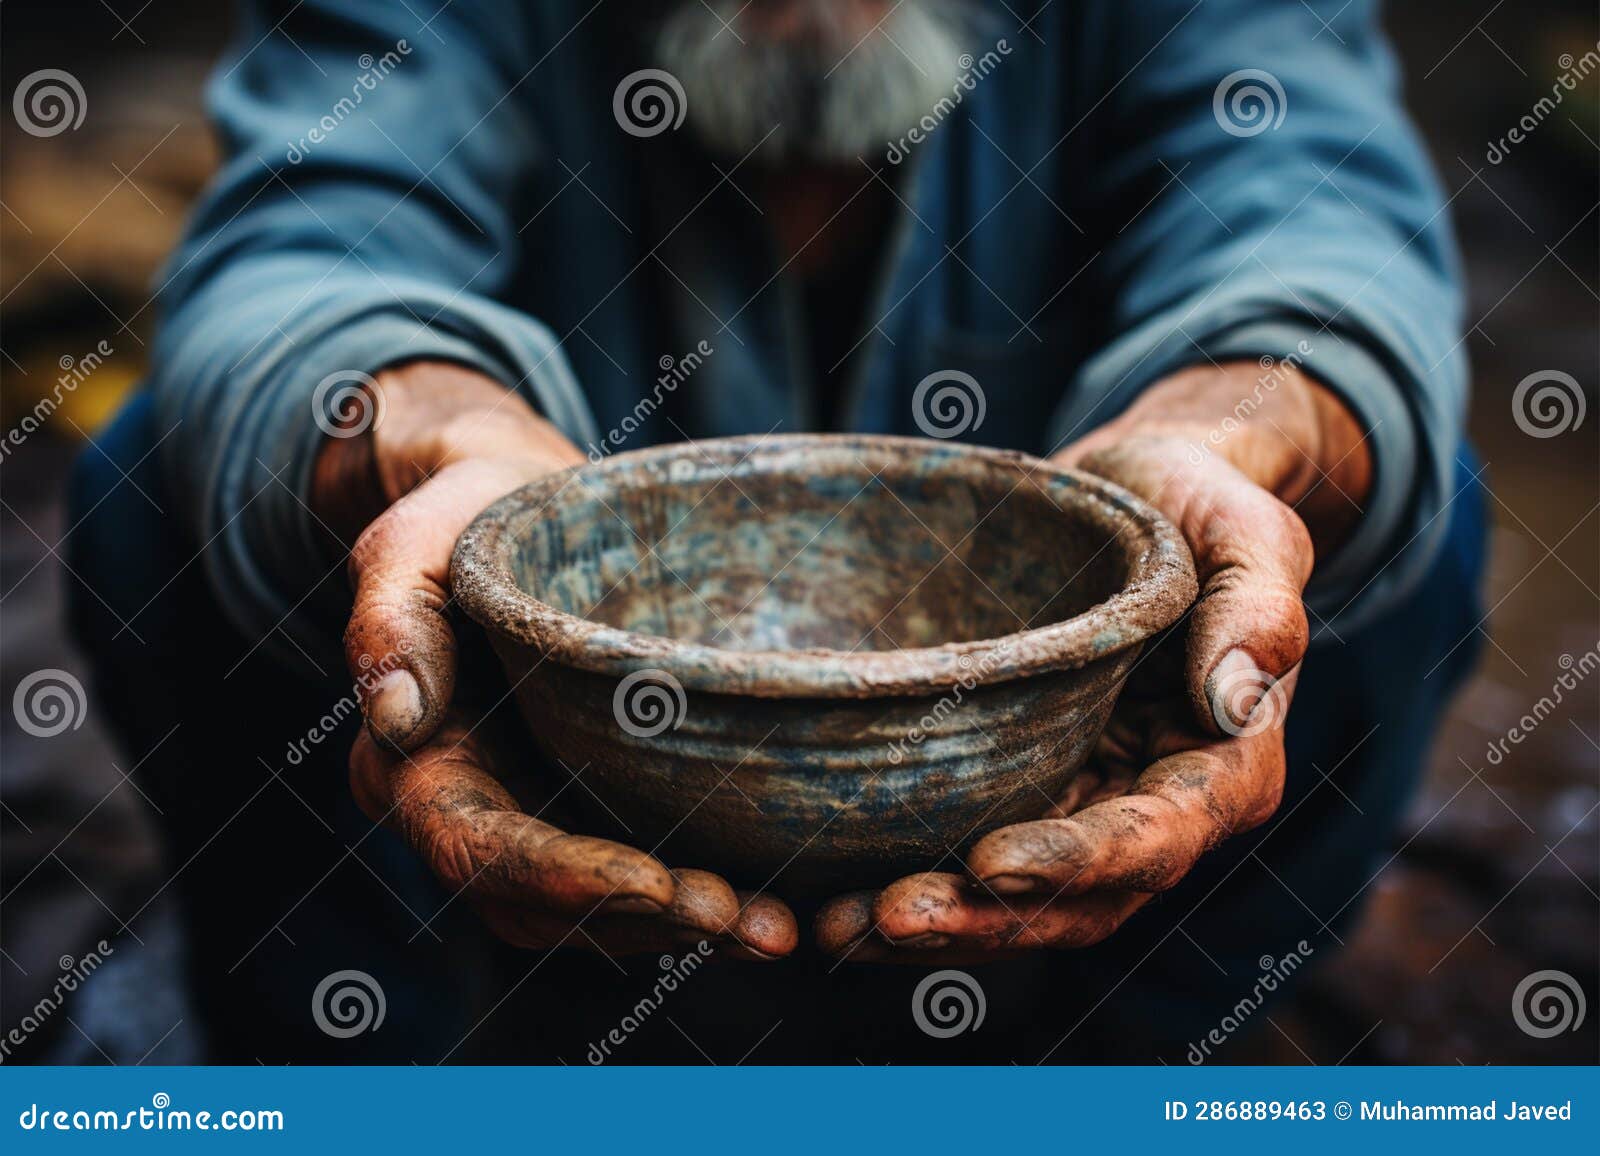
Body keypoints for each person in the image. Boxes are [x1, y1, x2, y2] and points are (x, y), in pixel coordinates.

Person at [69, 0, 1484, 1062]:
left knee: (1352, 483)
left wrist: (1230, 430)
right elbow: (306, 246)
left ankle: (1143, 1070)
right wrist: (428, 430)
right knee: (165, 480)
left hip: (1058, 767)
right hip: (551, 751)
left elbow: (1313, 210)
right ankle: (372, 1071)